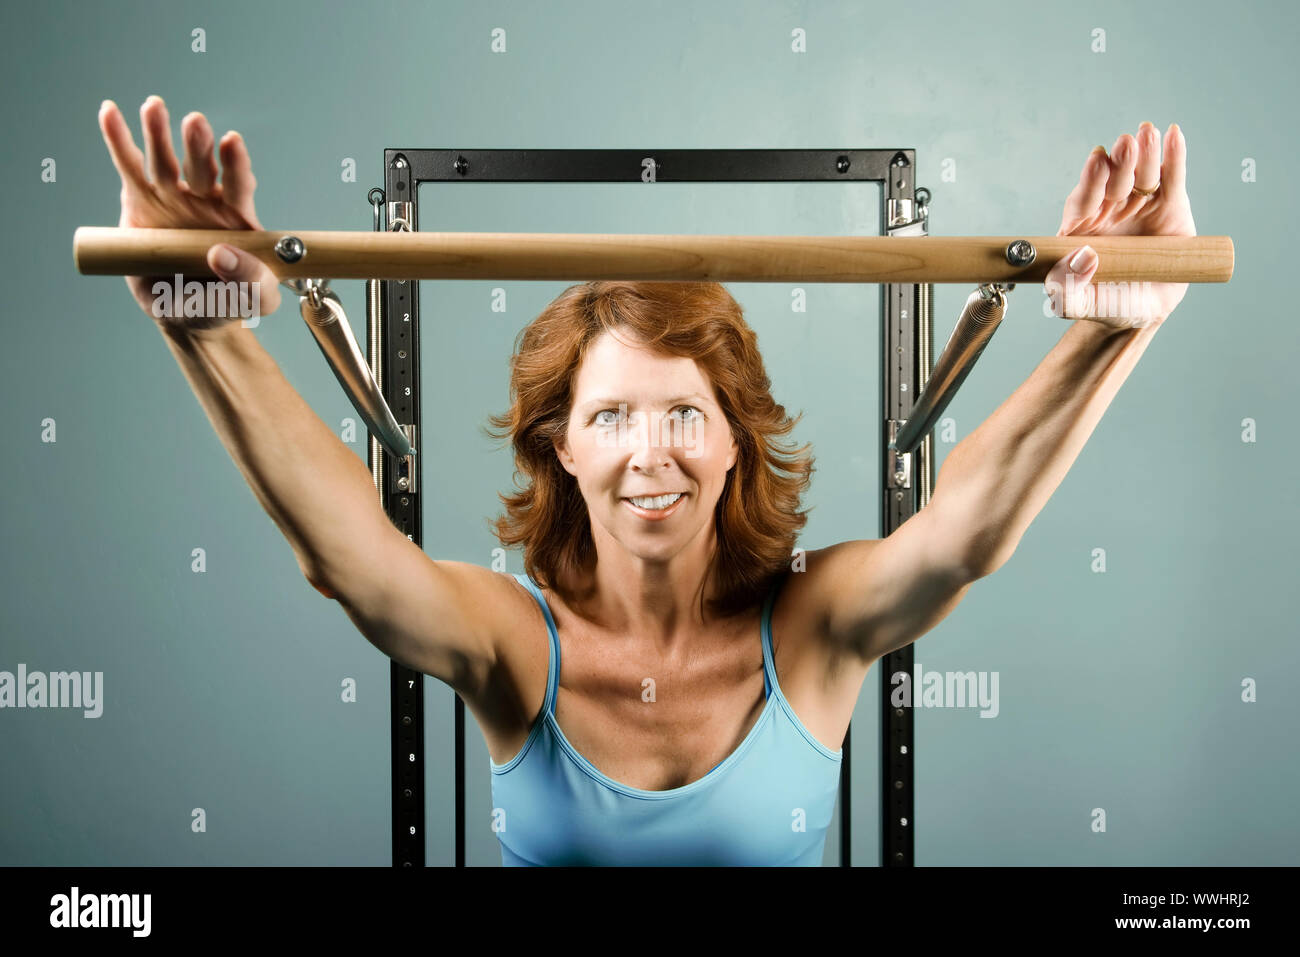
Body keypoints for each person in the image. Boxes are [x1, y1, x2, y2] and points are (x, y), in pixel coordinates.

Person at [98, 95, 1196, 866]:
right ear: (562, 449)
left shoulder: (813, 622)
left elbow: (961, 538)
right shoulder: (512, 643)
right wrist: (213, 339)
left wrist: (1114, 332)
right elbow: (353, 565)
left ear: (732, 441)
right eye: (609, 415)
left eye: (684, 412)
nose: (649, 450)